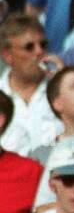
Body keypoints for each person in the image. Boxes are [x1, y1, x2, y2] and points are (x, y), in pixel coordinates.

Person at [0, 15, 60, 158]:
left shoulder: (60, 90)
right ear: (8, 55)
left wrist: (62, 82)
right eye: (29, 47)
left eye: (43, 45)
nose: (39, 52)